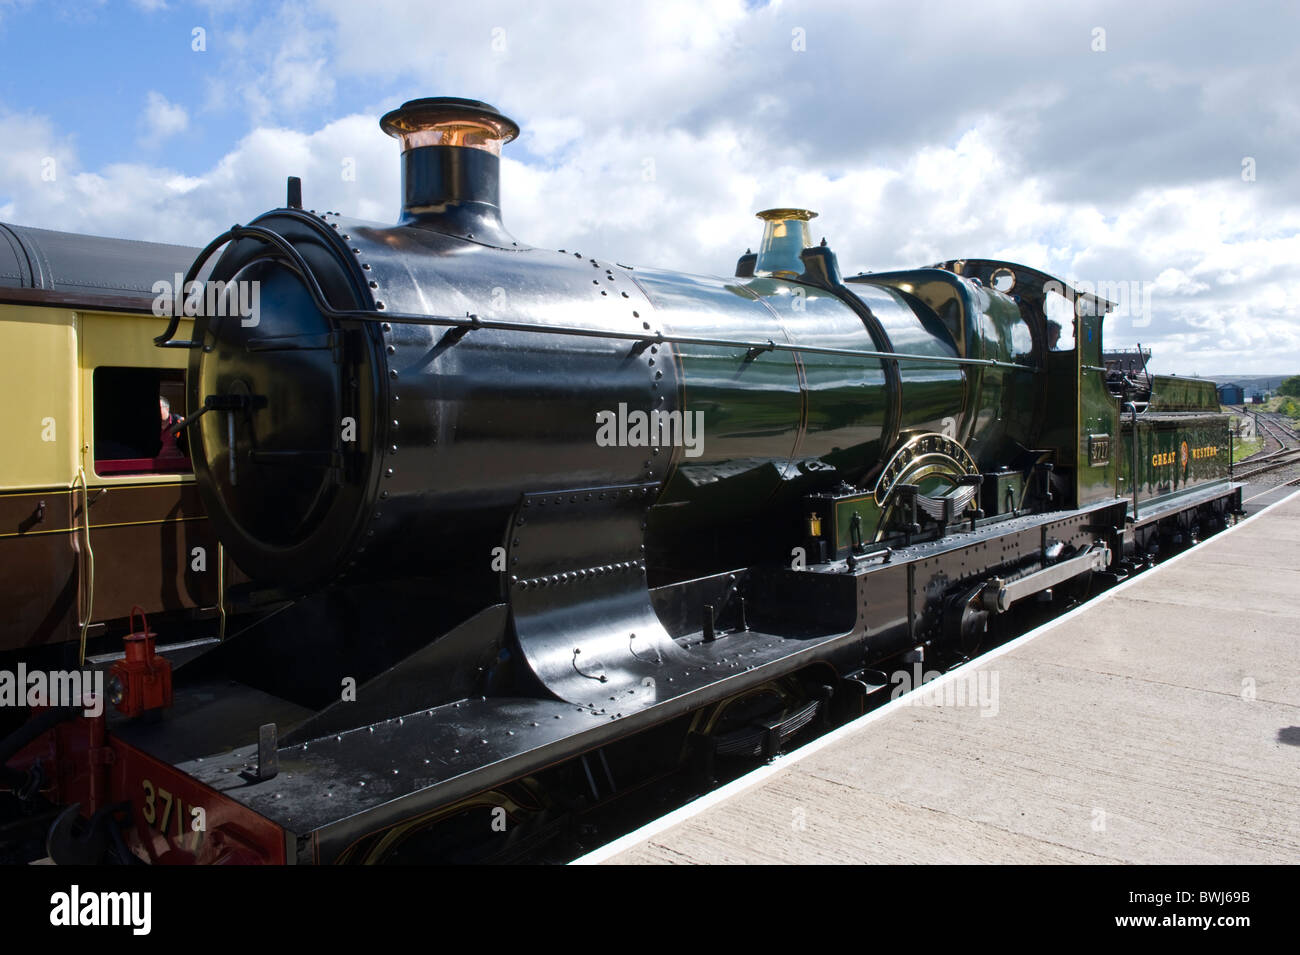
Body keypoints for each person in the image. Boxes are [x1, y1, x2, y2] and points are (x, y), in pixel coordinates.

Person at [158, 396, 188, 461]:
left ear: (167, 409)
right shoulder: (150, 427)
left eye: (159, 408)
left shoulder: (181, 423)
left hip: (178, 465)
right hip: (155, 466)